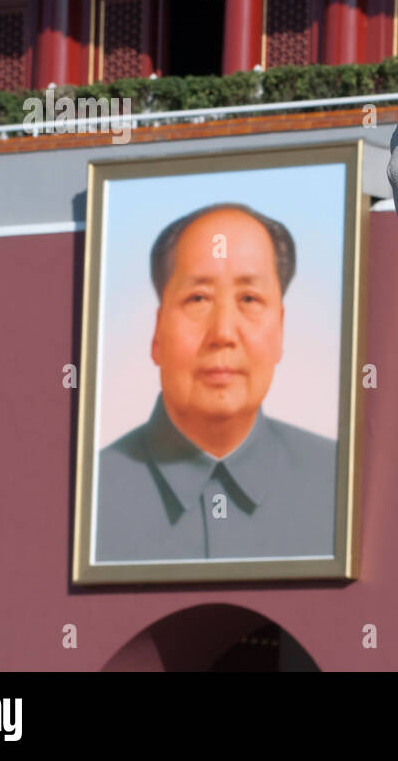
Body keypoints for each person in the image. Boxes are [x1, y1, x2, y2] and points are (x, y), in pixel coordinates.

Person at [95, 202, 336, 562]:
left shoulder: (339, 482)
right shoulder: (90, 495)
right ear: (156, 332)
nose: (222, 333)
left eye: (249, 299)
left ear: (281, 329)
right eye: (198, 299)